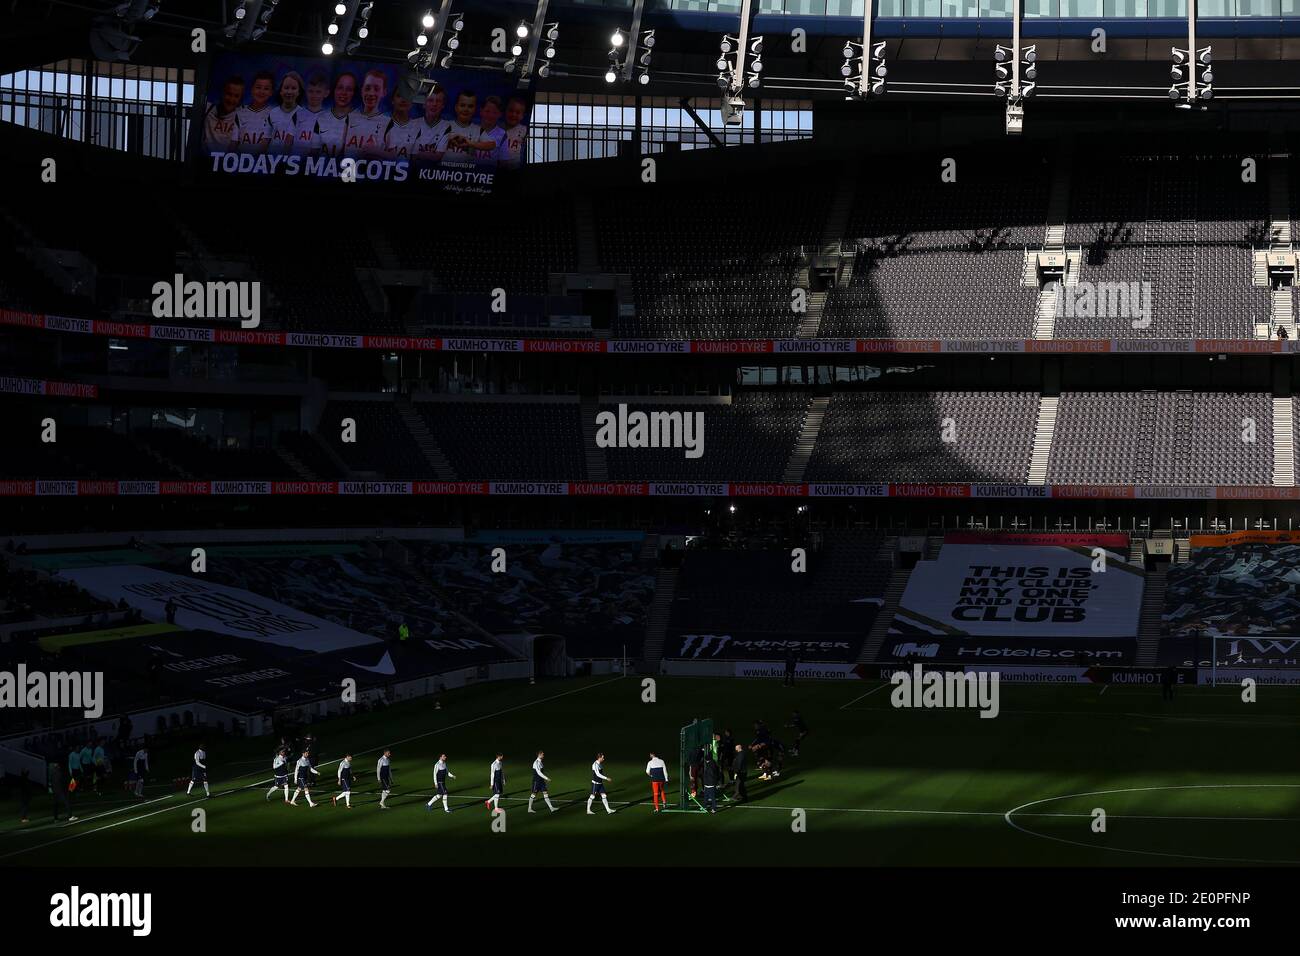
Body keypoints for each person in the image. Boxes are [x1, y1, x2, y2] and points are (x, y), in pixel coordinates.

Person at [203, 75, 244, 152]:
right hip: (205, 160)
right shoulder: (207, 109)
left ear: (240, 98)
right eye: (229, 94)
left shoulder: (243, 116)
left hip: (227, 161)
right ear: (222, 93)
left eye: (236, 96)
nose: (231, 99)